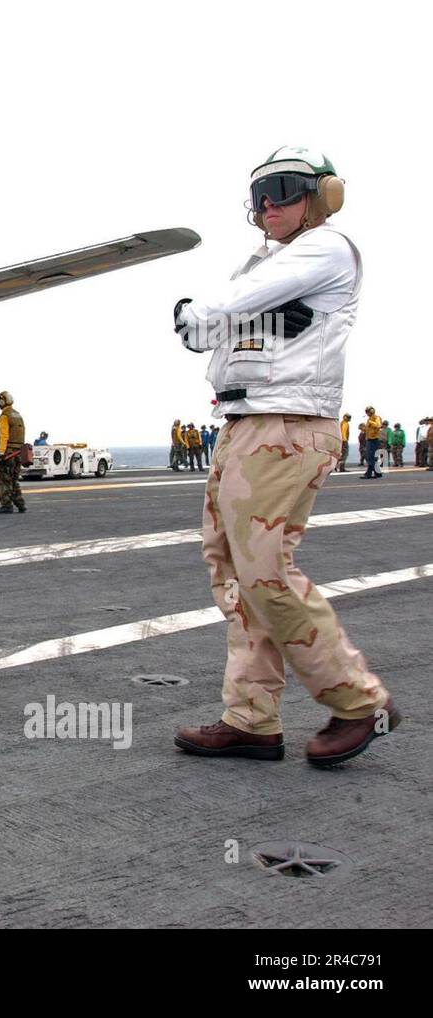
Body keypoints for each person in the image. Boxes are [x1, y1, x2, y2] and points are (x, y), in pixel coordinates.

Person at [171, 146, 397, 766]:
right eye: (261, 194)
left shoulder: (326, 248)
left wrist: (207, 313)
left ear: (322, 195)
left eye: (286, 189)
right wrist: (218, 317)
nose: (269, 205)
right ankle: (251, 717)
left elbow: (205, 320)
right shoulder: (266, 266)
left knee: (266, 570)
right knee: (237, 575)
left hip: (288, 426)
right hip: (245, 424)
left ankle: (358, 701)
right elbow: (207, 334)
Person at [0, 391, 26, 515]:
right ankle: (20, 504)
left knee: (3, 480)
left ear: (1, 402)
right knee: (14, 479)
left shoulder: (4, 416)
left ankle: (6, 505)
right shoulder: (18, 415)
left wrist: (1, 453)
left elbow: (4, 435)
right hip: (18, 453)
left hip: (7, 452)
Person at [362, 406, 383, 478]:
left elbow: (378, 425)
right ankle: (377, 473)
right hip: (370, 439)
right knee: (371, 457)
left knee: (371, 457)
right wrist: (364, 429)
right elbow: (369, 430)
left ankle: (369, 474)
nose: (367, 413)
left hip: (374, 440)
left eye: (367, 411)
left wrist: (371, 422)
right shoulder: (369, 419)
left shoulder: (376, 418)